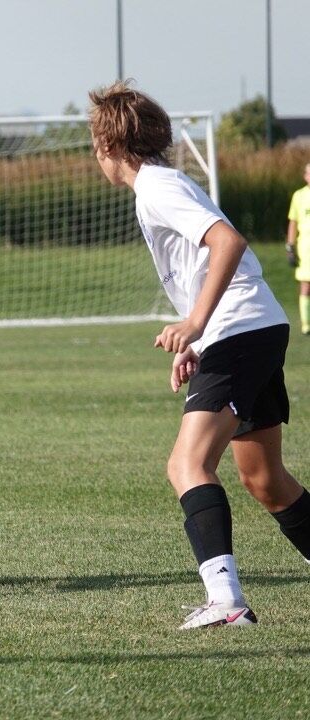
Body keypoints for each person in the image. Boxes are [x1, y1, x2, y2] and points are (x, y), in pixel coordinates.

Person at [88, 82, 310, 629]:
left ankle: (226, 601)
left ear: (107, 144)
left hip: (239, 328)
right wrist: (199, 340)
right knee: (265, 479)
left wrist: (195, 323)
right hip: (252, 327)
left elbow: (227, 242)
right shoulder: (161, 185)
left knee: (187, 464)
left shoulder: (157, 187)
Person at [286, 162, 310, 335]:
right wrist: (290, 246)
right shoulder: (299, 196)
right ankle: (306, 324)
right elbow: (293, 222)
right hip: (306, 246)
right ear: (305, 176)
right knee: (306, 284)